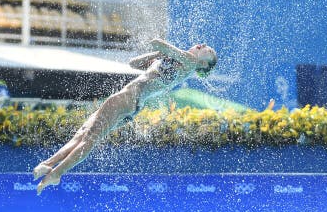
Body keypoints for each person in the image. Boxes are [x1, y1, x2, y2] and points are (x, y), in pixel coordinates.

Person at [33, 39, 217, 193]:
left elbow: (157, 42)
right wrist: (156, 56)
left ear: (203, 64)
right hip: (131, 102)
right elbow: (133, 63)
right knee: (83, 133)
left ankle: (57, 172)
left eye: (207, 50)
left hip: (129, 98)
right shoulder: (177, 62)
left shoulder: (190, 62)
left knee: (90, 137)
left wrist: (160, 50)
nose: (202, 44)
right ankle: (49, 165)